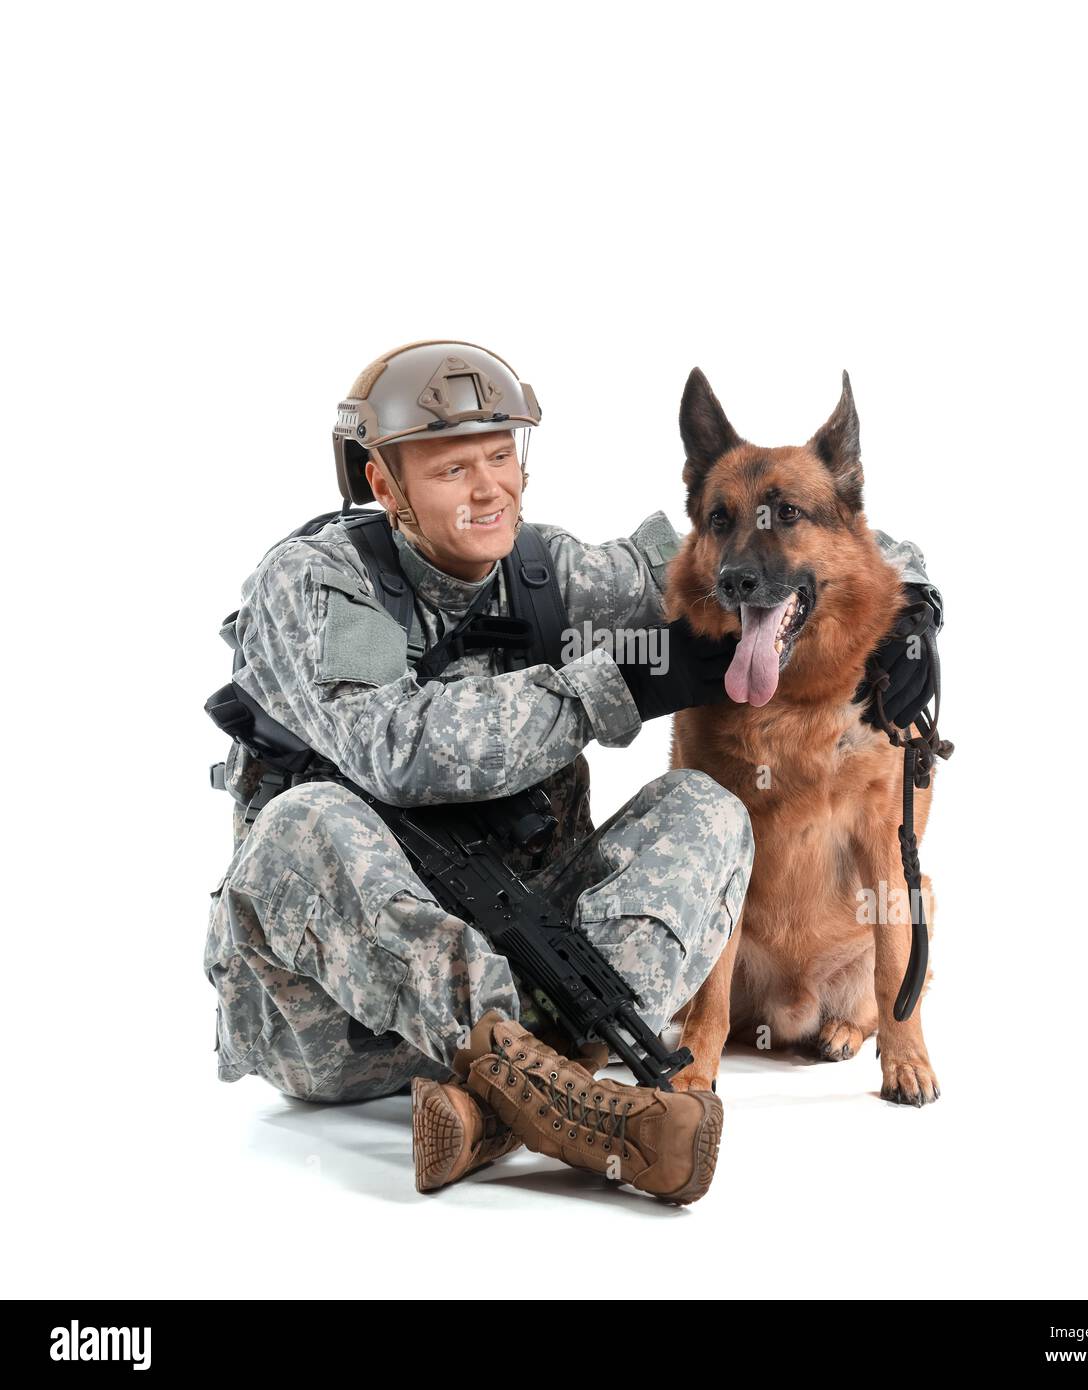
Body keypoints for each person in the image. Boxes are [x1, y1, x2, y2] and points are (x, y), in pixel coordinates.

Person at [203, 339, 939, 1204]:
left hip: (539, 967)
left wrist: (914, 604)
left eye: (499, 457)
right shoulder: (322, 585)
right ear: (383, 487)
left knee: (706, 807)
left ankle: (504, 1106)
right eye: (450, 471)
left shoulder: (547, 573)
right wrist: (618, 682)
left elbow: (758, 543)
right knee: (303, 824)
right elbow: (394, 748)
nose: (487, 489)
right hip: (340, 1018)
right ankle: (565, 1101)